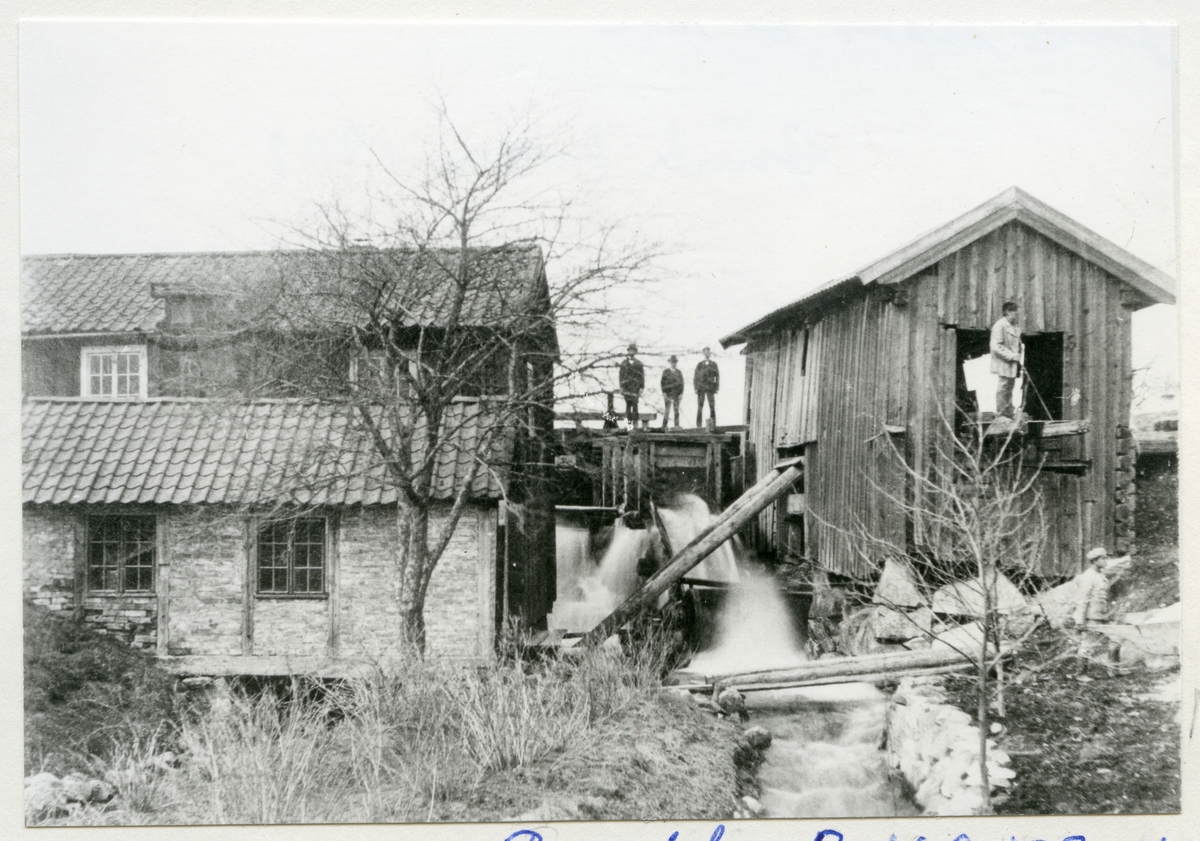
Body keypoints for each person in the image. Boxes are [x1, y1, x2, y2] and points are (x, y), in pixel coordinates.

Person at [990, 302, 1022, 419]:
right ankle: (1000, 413)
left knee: (1010, 386)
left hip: (1011, 363)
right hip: (1003, 362)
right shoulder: (999, 325)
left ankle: (1008, 412)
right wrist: (1012, 356)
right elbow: (996, 346)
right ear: (1008, 312)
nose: (1017, 315)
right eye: (1015, 313)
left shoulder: (1013, 326)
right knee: (1003, 387)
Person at [618, 344, 645, 425]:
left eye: (633, 350)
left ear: (635, 352)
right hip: (627, 388)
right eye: (630, 350)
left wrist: (641, 387)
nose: (631, 352)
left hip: (635, 388)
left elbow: (641, 376)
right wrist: (621, 387)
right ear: (628, 351)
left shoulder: (639, 363)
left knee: (635, 405)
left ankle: (635, 425)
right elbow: (621, 376)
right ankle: (628, 426)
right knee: (628, 406)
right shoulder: (624, 363)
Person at [694, 347, 720, 428]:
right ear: (703, 353)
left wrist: (716, 388)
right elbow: (695, 377)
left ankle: (713, 424)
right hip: (701, 388)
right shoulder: (699, 365)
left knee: (712, 406)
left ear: (710, 353)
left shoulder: (714, 364)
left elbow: (717, 377)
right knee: (700, 407)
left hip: (710, 388)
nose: (707, 354)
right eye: (705, 352)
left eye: (708, 352)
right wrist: (695, 387)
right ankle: (699, 425)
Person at [660, 355, 684, 429]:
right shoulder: (666, 372)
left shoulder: (679, 372)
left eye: (674, 362)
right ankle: (664, 425)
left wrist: (681, 394)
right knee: (667, 410)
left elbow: (682, 384)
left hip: (676, 394)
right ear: (670, 362)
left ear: (676, 363)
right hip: (668, 394)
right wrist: (664, 393)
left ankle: (676, 425)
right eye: (672, 362)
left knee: (676, 410)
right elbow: (662, 383)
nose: (673, 363)